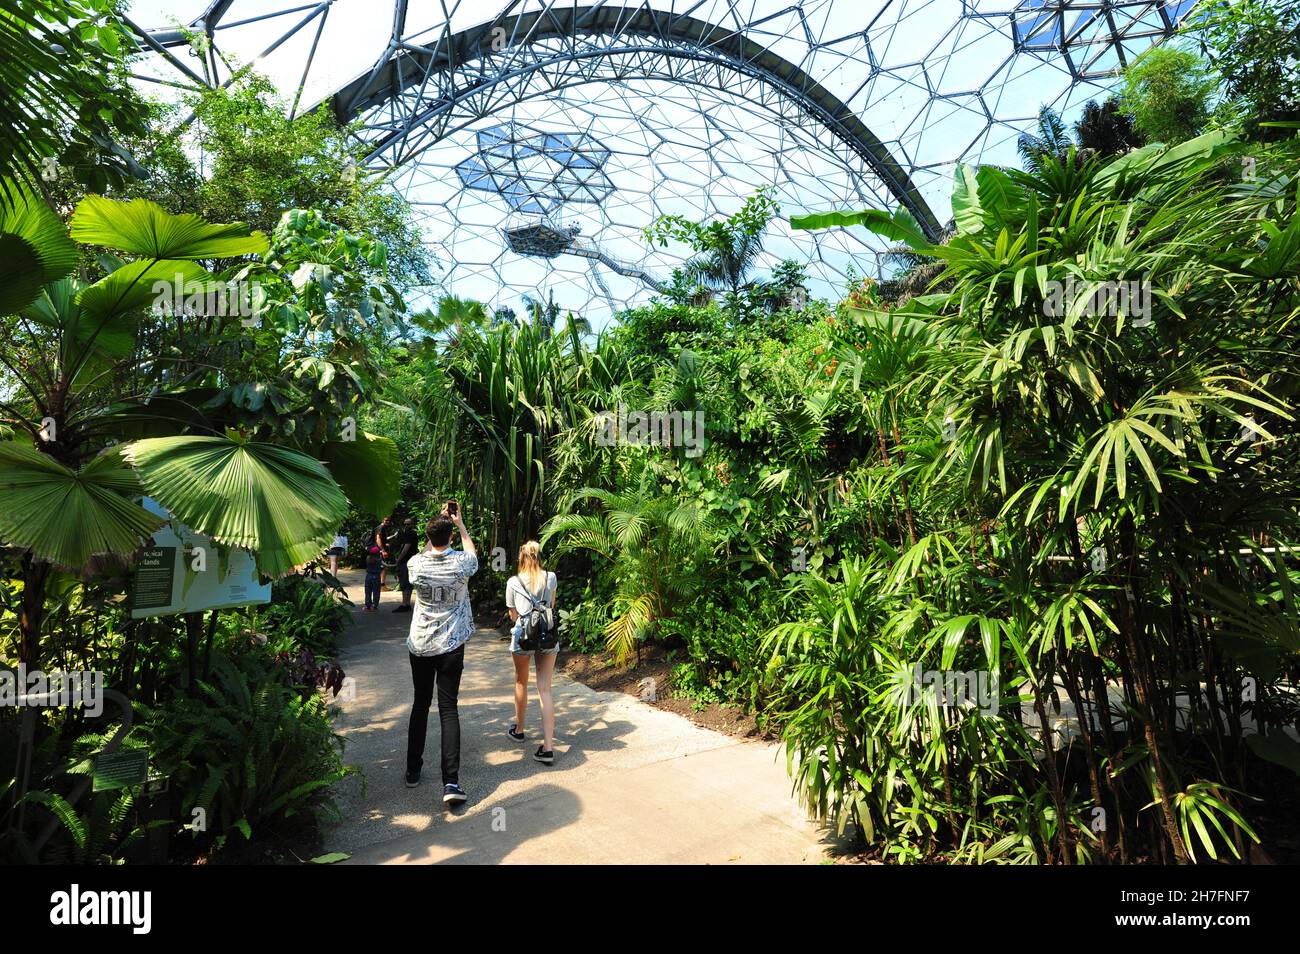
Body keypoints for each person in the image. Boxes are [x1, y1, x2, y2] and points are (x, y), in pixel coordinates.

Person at [405, 503, 478, 805]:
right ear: (450, 536)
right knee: (448, 709)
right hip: (451, 646)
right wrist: (459, 524)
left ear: (428, 535)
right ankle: (451, 782)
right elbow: (472, 553)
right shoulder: (461, 564)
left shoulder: (416, 565)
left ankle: (412, 771)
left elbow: (426, 553)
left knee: (421, 704)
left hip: (420, 645)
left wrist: (436, 527)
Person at [505, 540, 559, 765]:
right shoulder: (551, 577)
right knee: (545, 688)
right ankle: (548, 748)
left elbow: (513, 616)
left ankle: (519, 729)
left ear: (522, 557)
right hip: (547, 636)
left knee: (521, 682)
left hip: (524, 637)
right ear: (539, 557)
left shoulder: (513, 581)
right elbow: (551, 608)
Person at [392, 518, 419, 614]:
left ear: (412, 524)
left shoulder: (410, 534)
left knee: (404, 582)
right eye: (405, 524)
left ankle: (404, 604)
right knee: (408, 583)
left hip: (406, 561)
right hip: (411, 560)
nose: (407, 526)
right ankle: (407, 604)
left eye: (409, 524)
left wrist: (398, 559)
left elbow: (406, 548)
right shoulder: (411, 534)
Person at [373, 515, 395, 589]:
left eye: (389, 520)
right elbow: (378, 539)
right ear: (382, 520)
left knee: (382, 567)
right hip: (380, 551)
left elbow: (382, 539)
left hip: (379, 549)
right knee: (384, 567)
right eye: (386, 520)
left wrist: (387, 541)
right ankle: (381, 585)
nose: (388, 522)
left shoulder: (382, 528)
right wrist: (383, 550)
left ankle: (379, 584)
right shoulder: (381, 527)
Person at [363, 545, 383, 612]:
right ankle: (374, 606)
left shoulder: (368, 558)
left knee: (368, 591)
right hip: (376, 576)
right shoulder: (379, 560)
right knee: (376, 591)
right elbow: (385, 566)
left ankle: (367, 605)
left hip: (368, 576)